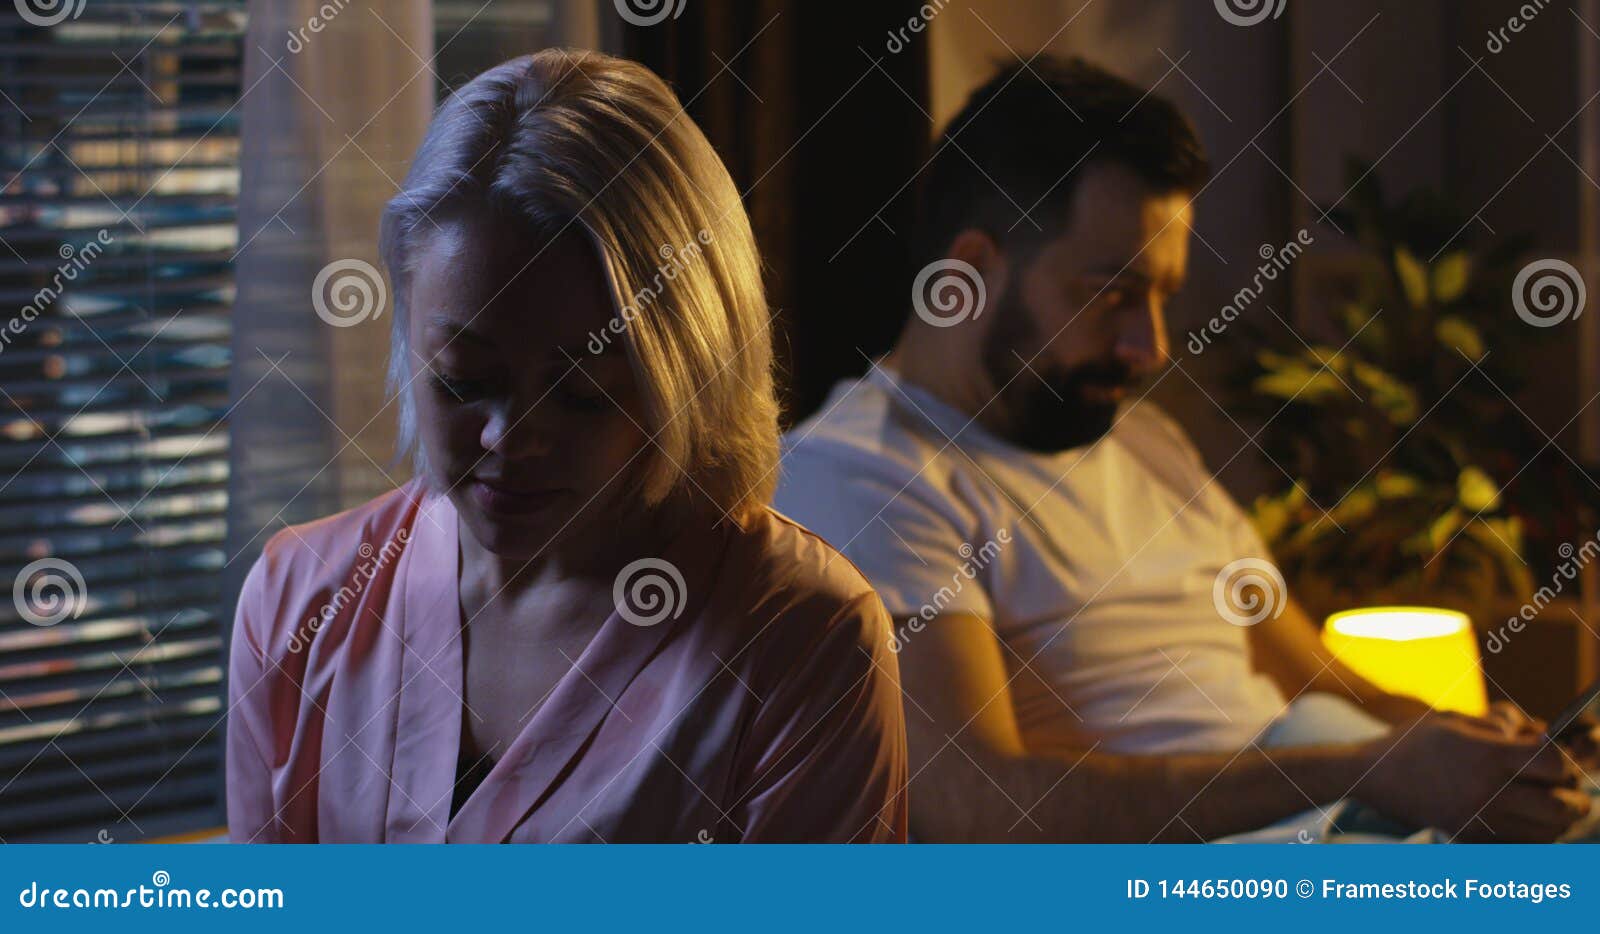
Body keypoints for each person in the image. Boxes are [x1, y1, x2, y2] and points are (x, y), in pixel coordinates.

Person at [774, 55, 1594, 842]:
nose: (1151, 346)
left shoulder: (1145, 441)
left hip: (1332, 818)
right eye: (1115, 294)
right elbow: (983, 814)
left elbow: (1319, 678)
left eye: (1163, 295)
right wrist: (1367, 772)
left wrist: (1470, 750)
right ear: (972, 271)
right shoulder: (865, 475)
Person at [226, 50, 907, 843]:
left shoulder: (802, 647)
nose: (509, 439)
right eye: (462, 380)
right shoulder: (300, 600)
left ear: (689, 373)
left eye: (581, 395)